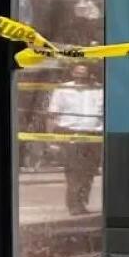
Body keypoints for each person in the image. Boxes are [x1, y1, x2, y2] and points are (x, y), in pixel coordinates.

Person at [48, 64, 103, 215]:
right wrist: (52, 140)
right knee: (74, 170)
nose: (81, 75)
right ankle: (74, 204)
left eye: (84, 72)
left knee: (89, 171)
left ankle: (81, 202)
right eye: (78, 72)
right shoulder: (63, 90)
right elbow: (52, 115)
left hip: (93, 135)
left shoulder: (99, 90)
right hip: (70, 133)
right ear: (73, 73)